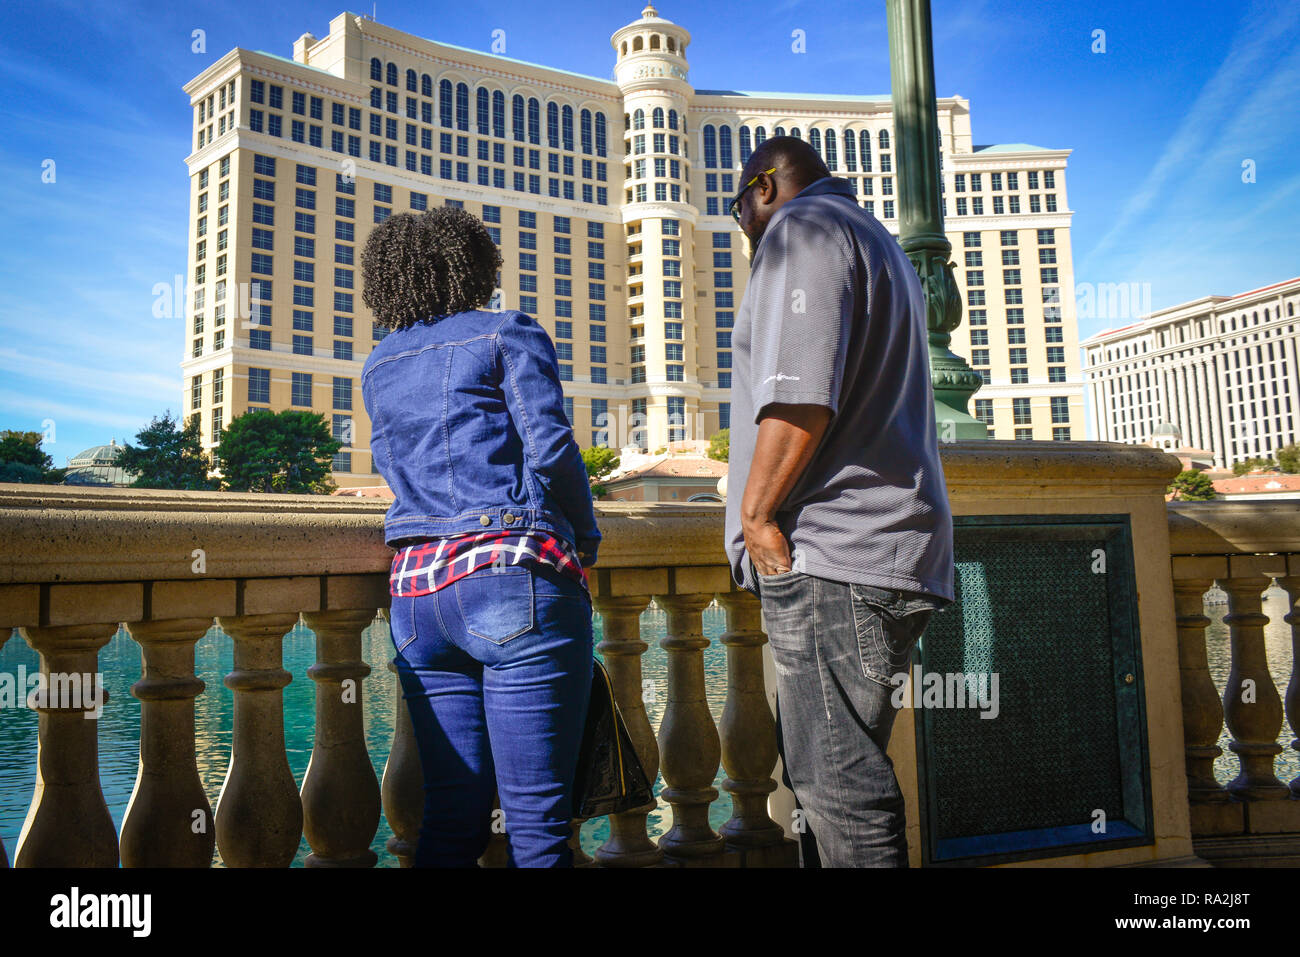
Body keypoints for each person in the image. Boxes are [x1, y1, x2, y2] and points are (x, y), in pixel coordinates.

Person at [723, 136, 955, 868]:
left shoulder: (804, 230)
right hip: (886, 553)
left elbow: (798, 399)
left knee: (838, 790)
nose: (745, 231)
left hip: (834, 560)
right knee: (837, 781)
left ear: (764, 187)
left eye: (739, 210)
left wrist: (755, 517)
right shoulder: (878, 242)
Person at [360, 207, 600, 867]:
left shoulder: (378, 366)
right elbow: (551, 450)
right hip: (512, 581)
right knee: (539, 829)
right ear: (476, 269)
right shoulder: (507, 333)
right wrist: (586, 533)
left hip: (416, 601)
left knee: (453, 818)